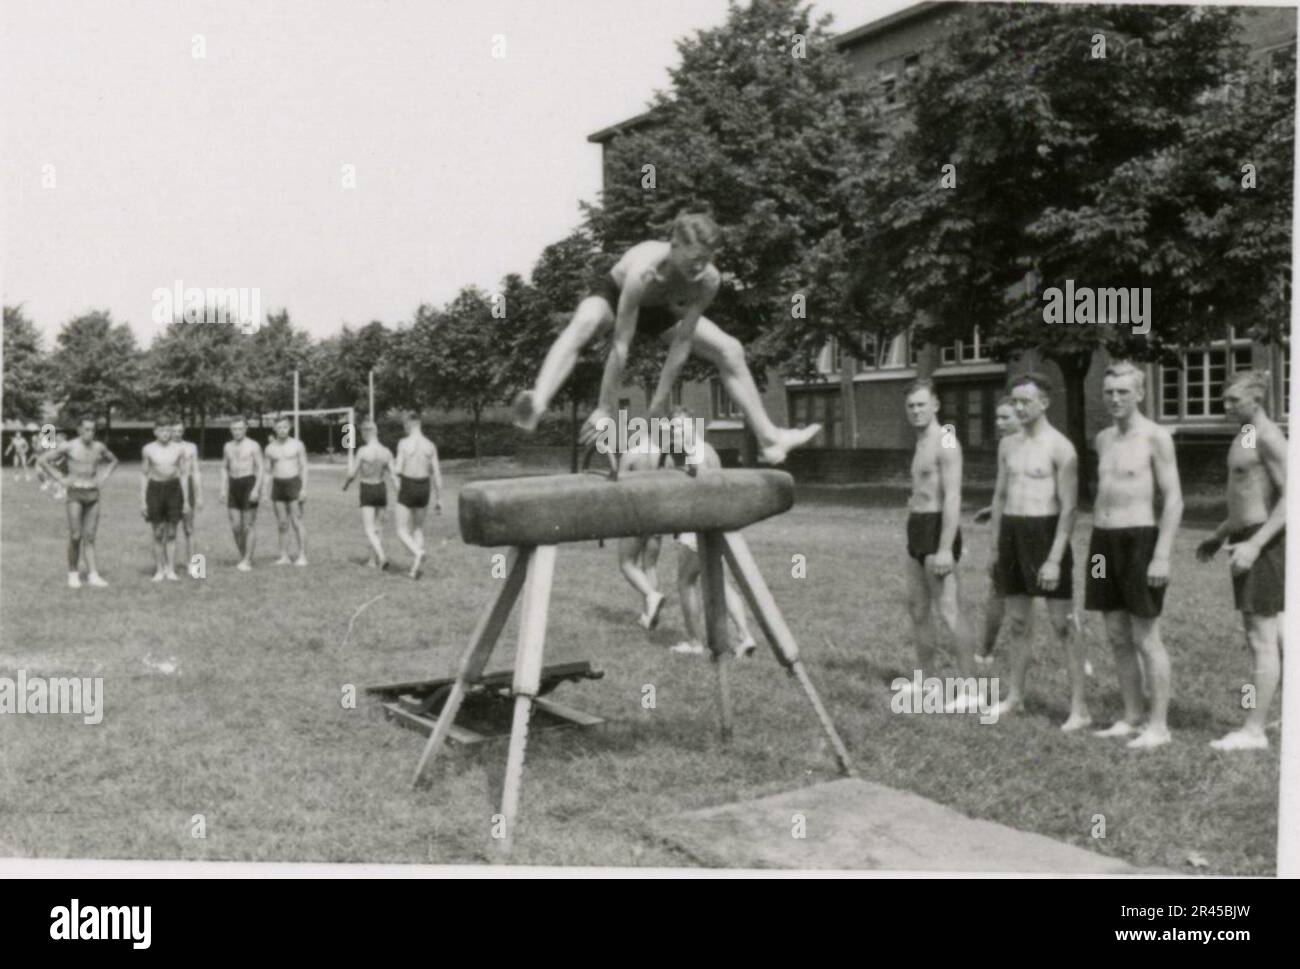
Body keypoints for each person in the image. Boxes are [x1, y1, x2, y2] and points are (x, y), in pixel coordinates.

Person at [511, 210, 821, 465]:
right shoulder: (643, 272)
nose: (699, 267)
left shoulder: (707, 280)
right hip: (617, 296)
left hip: (662, 311)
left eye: (706, 259)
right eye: (693, 259)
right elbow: (621, 345)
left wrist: (658, 403)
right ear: (673, 246)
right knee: (586, 320)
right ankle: (539, 398)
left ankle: (770, 439)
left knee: (730, 349)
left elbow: (682, 342)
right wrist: (604, 407)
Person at [1086, 362, 1182, 749]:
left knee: (1146, 635)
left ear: (1140, 394)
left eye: (1123, 392)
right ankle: (1131, 716)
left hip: (1140, 539)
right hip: (1102, 542)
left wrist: (1161, 555)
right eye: (1109, 392)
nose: (1114, 398)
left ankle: (1159, 726)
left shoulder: (1156, 437)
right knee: (1115, 633)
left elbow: (1174, 499)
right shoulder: (1103, 439)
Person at [990, 373, 1090, 730]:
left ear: (1044, 403)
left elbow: (1070, 509)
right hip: (1012, 534)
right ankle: (1015, 696)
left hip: (1045, 534)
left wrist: (1053, 558)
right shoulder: (1008, 446)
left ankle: (1079, 708)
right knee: (1017, 622)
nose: (1018, 407)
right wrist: (996, 546)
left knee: (1063, 625)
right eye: (1014, 401)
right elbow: (1000, 497)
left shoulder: (1061, 448)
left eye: (1025, 401)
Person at [1196, 370, 1287, 751]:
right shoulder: (1246, 434)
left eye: (1234, 400)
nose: (1226, 405)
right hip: (1244, 536)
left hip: (1264, 543)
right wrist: (1219, 536)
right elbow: (1247, 496)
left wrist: (1254, 546)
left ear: (1256, 398)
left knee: (1259, 636)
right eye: (1225, 399)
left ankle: (1253, 730)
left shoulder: (1268, 436)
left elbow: (1291, 498)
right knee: (1279, 635)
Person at [901, 380, 979, 708]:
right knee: (918, 609)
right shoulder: (920, 442)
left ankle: (971, 689)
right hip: (916, 527)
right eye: (911, 406)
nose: (917, 411)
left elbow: (953, 496)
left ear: (936, 405)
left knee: (948, 609)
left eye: (922, 404)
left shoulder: (945, 440)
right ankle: (926, 681)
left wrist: (946, 547)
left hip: (937, 529)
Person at [661, 408, 757, 657]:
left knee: (685, 582)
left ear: (693, 426)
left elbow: (686, 495)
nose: (677, 433)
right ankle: (745, 636)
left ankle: (694, 642)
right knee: (720, 582)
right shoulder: (709, 450)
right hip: (718, 524)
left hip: (699, 527)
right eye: (674, 429)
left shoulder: (691, 456)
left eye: (681, 427)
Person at [37, 417, 117, 588]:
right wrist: (60, 478)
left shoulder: (99, 447)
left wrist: (104, 476)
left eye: (93, 430)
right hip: (75, 494)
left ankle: (93, 574)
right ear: (79, 430)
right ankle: (73, 574)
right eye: (86, 429)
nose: (90, 433)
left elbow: (114, 460)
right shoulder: (69, 446)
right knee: (75, 535)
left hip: (93, 494)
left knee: (90, 536)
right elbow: (43, 460)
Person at [973, 397, 1022, 666]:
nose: (998, 423)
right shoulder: (1005, 445)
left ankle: (1077, 656)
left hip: (1039, 528)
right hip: (1009, 526)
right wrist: (993, 510)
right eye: (997, 417)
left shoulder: (1046, 443)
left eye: (1006, 418)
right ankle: (984, 652)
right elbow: (1004, 489)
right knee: (997, 589)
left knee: (1057, 599)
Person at [615, 439, 666, 629]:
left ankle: (652, 596)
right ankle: (649, 614)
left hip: (635, 513)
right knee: (650, 565)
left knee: (627, 563)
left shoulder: (630, 454)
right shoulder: (661, 454)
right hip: (657, 513)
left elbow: (619, 487)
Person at [342, 420, 398, 569]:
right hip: (381, 488)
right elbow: (394, 475)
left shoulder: (362, 451)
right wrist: (399, 492)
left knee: (369, 528)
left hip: (367, 488)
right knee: (378, 528)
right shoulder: (386, 452)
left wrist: (346, 484)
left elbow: (352, 473)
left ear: (366, 433)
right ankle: (373, 561)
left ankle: (381, 556)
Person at [393, 413, 443, 579]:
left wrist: (394, 468)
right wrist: (439, 499)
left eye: (404, 425)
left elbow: (398, 469)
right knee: (418, 528)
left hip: (408, 485)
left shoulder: (404, 443)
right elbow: (436, 474)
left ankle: (418, 552)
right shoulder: (430, 445)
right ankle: (414, 569)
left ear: (409, 424)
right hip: (424, 487)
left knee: (401, 529)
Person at [141, 417, 189, 582]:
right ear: (155, 431)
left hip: (174, 490)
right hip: (155, 490)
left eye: (168, 430)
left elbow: (183, 475)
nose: (165, 434)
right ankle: (159, 570)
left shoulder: (178, 449)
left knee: (171, 532)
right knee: (157, 532)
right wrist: (142, 501)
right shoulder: (148, 449)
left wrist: (187, 500)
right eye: (161, 430)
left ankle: (171, 569)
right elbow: (144, 475)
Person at [264, 416, 308, 566]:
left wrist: (304, 488)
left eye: (285, 427)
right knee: (282, 523)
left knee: (297, 521)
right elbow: (267, 472)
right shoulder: (270, 448)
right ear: (275, 429)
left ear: (289, 428)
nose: (282, 430)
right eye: (279, 427)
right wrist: (264, 491)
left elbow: (304, 467)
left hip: (294, 483)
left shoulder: (297, 445)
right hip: (278, 485)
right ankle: (284, 556)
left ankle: (302, 556)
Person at [221, 418, 263, 571]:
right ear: (231, 429)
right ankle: (244, 556)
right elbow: (224, 467)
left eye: (240, 428)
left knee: (248, 525)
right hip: (233, 484)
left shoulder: (253, 445)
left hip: (249, 483)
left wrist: (256, 489)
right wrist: (222, 488)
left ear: (246, 428)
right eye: (234, 429)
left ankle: (247, 560)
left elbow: (260, 468)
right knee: (236, 526)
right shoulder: (227, 446)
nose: (237, 432)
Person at [172, 421, 202, 569]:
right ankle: (169, 565)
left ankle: (195, 566)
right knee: (169, 529)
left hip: (188, 486)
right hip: (171, 485)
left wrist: (199, 494)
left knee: (189, 528)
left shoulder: (191, 447)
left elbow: (196, 471)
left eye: (180, 431)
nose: (177, 433)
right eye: (174, 431)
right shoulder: (165, 448)